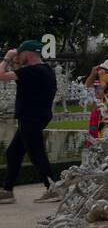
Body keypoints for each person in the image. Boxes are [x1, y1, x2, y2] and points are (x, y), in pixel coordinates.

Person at [0, 40, 60, 203]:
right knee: (13, 152)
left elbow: (1, 75)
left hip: (31, 117)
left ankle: (53, 188)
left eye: (20, 54)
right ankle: (7, 190)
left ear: (28, 53)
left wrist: (6, 58)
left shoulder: (34, 71)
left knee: (37, 153)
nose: (18, 57)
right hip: (34, 117)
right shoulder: (44, 70)